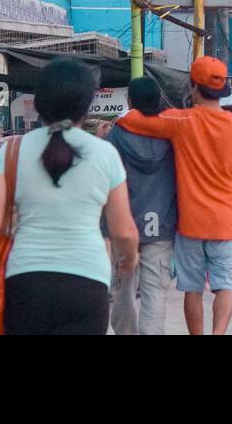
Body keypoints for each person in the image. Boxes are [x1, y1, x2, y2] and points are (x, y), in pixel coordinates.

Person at [0, 57, 138, 335]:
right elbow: (123, 232)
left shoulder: (12, 151)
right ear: (87, 104)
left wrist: (22, 248)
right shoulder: (105, 154)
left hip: (25, 282)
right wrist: (129, 259)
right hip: (87, 283)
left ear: (39, 102)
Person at [115, 56, 232, 336]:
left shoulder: (180, 122)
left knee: (192, 289)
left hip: (190, 226)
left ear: (193, 86)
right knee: (226, 286)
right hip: (228, 225)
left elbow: (134, 121)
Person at [103, 76, 176, 336]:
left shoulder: (115, 136)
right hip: (162, 223)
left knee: (122, 288)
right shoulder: (171, 135)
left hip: (124, 224)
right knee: (155, 289)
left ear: (129, 100)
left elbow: (106, 182)